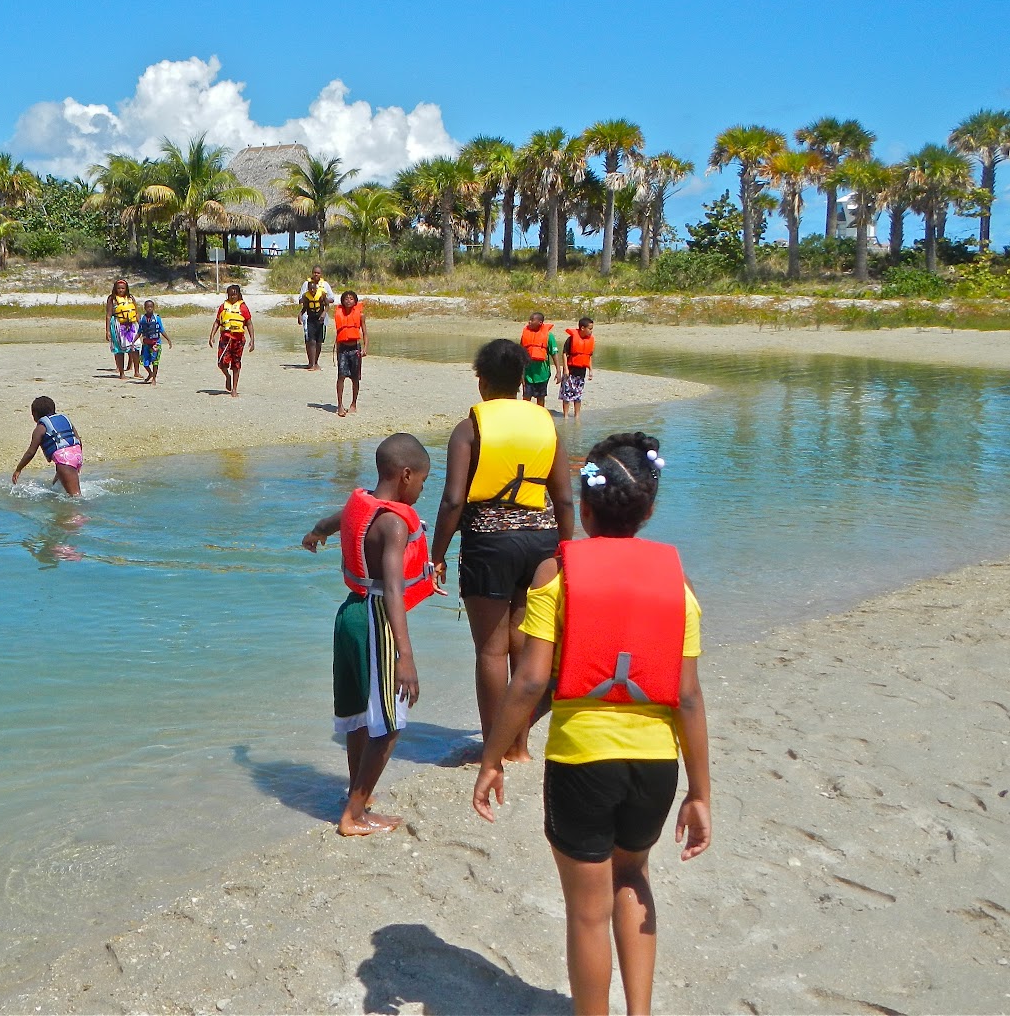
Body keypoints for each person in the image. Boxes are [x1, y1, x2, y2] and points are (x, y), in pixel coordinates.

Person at [472, 432, 711, 1016]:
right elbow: (687, 697)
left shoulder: (557, 576)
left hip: (583, 761)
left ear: (583, 506)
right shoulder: (677, 589)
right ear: (650, 509)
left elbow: (529, 682)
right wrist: (701, 792)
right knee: (634, 877)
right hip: (654, 764)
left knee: (587, 911)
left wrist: (492, 758)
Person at [430, 338, 576, 762]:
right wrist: (566, 551)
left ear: (483, 382)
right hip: (541, 544)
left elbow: (454, 500)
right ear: (519, 381)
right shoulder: (546, 423)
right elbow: (565, 500)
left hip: (489, 545)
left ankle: (493, 749)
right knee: (523, 646)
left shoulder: (469, 428)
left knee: (491, 651)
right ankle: (520, 748)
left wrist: (437, 554)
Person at [301, 433, 440, 836]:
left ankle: (356, 793)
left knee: (360, 713)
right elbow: (394, 589)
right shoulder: (395, 523)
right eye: (423, 482)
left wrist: (315, 533)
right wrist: (406, 657)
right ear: (407, 475)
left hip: (350, 614)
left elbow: (332, 522)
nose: (421, 490)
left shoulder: (359, 503)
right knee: (392, 723)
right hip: (378, 617)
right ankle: (354, 815)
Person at [12, 395, 83, 496]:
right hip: (76, 455)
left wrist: (18, 469)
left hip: (65, 460)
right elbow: (78, 440)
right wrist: (77, 460)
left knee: (75, 498)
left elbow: (31, 452)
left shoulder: (40, 428)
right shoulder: (65, 419)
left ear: (35, 414)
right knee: (56, 487)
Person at [208, 284, 255, 398]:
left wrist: (252, 340)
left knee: (236, 364)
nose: (232, 297)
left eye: (234, 294)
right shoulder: (223, 307)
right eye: (230, 294)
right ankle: (227, 376)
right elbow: (217, 322)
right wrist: (211, 336)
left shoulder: (243, 308)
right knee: (221, 362)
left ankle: (234, 388)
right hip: (225, 338)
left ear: (238, 295)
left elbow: (249, 324)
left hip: (238, 340)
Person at [332, 289, 367, 418]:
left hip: (355, 349)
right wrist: (337, 353)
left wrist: (365, 348)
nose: (348, 300)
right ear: (342, 301)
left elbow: (365, 333)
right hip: (342, 349)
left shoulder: (360, 315)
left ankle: (353, 404)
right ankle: (340, 405)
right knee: (341, 376)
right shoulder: (339, 313)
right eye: (346, 298)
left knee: (355, 378)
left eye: (351, 298)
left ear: (355, 301)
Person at [298, 265, 336, 371]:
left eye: (318, 273)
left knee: (319, 341)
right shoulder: (306, 284)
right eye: (314, 272)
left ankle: (316, 362)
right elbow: (301, 299)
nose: (316, 274)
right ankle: (311, 362)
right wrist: (308, 297)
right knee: (309, 340)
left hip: (321, 317)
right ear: (312, 273)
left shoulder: (325, 285)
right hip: (309, 316)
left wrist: (321, 298)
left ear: (321, 274)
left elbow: (331, 299)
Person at [520, 312, 559, 407]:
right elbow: (520, 354)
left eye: (532, 320)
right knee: (526, 398)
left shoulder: (549, 336)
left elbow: (554, 354)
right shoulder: (525, 334)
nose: (529, 322)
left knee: (541, 398)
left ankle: (540, 416)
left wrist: (558, 371)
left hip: (542, 374)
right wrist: (520, 374)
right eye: (529, 319)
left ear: (540, 322)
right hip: (528, 374)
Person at [560, 316, 596, 419]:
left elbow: (588, 356)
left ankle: (577, 416)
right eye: (590, 329)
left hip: (581, 372)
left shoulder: (590, 340)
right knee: (567, 394)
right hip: (570, 371)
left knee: (578, 395)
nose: (591, 331)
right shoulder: (571, 339)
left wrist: (590, 370)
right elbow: (564, 354)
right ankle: (566, 416)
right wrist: (565, 369)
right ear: (582, 328)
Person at [105, 279, 142, 379]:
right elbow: (108, 315)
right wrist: (107, 330)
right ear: (115, 289)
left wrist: (141, 326)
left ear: (126, 289)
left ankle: (136, 371)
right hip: (118, 325)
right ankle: (121, 373)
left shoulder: (130, 298)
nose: (121, 290)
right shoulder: (112, 299)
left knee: (135, 347)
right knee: (119, 350)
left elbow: (136, 312)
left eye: (122, 288)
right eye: (118, 288)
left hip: (131, 325)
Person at [137, 299, 173, 385]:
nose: (149, 308)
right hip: (146, 344)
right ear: (145, 308)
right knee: (144, 362)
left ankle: (154, 378)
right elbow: (139, 331)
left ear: (153, 308)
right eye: (147, 307)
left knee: (155, 362)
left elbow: (161, 330)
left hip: (156, 344)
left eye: (151, 307)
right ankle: (150, 373)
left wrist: (168, 340)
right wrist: (133, 341)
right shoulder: (142, 319)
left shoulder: (157, 318)